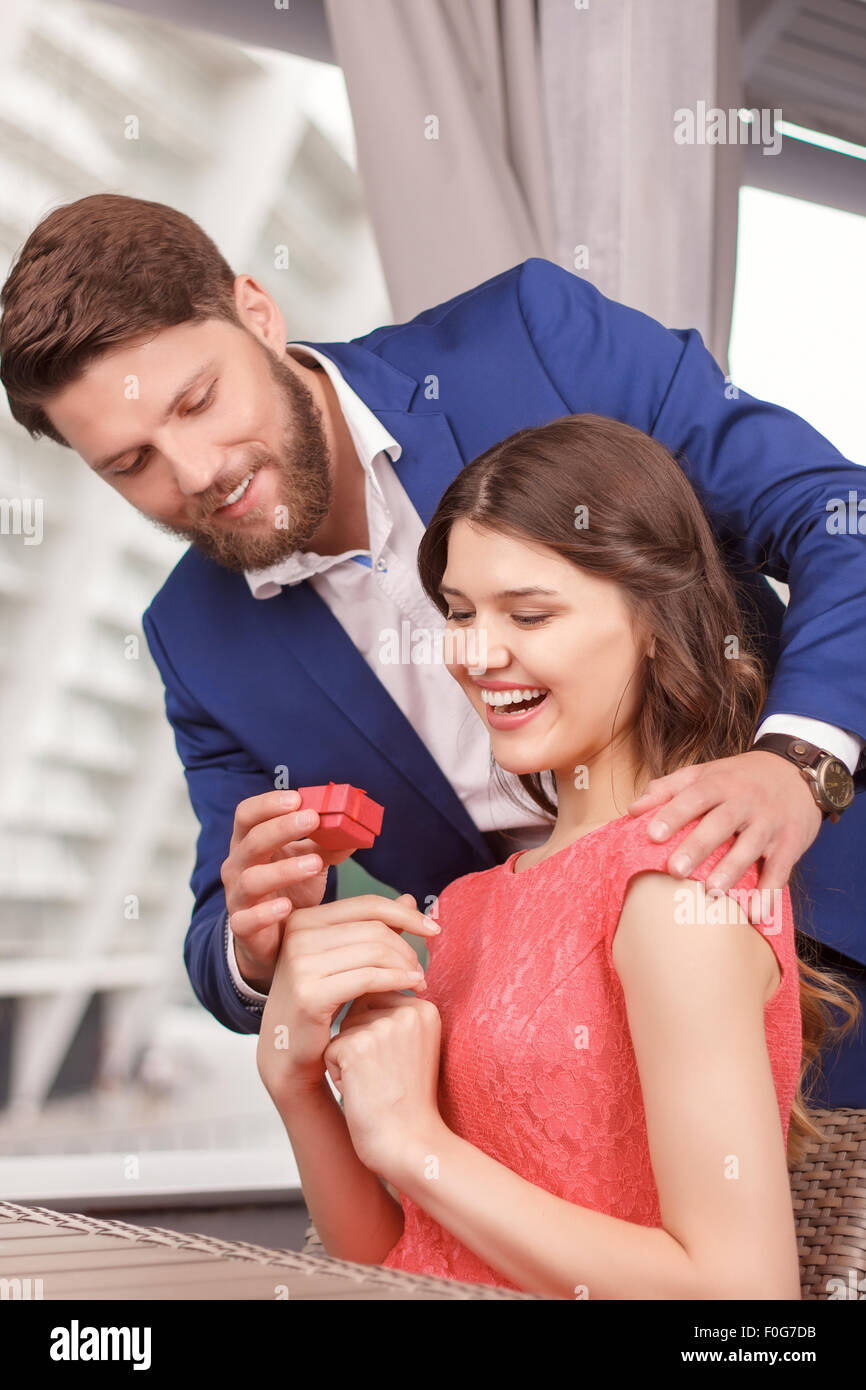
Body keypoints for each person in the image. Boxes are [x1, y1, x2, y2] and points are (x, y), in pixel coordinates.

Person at [0, 193, 863, 1101]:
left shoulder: (532, 344)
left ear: (256, 311)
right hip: (569, 1076)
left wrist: (797, 763)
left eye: (199, 401)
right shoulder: (196, 639)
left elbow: (838, 516)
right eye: (130, 465)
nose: (196, 473)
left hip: (835, 948)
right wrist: (255, 941)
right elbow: (222, 944)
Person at [255, 414, 860, 1298]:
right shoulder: (458, 909)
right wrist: (297, 1083)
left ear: (656, 621)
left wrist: (415, 1146)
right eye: (458, 613)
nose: (476, 652)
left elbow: (741, 1303)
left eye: (529, 613)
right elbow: (396, 1265)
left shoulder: (675, 884)